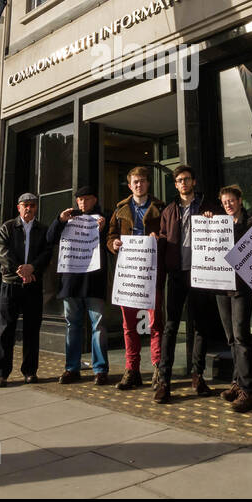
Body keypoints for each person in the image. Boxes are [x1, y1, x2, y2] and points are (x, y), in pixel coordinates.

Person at [156, 165, 214, 403]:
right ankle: (164, 380)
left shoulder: (206, 207)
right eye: (179, 180)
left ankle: (197, 375)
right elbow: (162, 236)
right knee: (170, 326)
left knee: (200, 326)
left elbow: (220, 231)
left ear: (194, 182)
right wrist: (154, 239)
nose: (183, 183)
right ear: (176, 184)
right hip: (177, 274)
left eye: (187, 179)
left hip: (200, 272)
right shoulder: (169, 210)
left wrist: (213, 219)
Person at [106, 167, 164, 390]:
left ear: (148, 184)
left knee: (155, 322)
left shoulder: (160, 207)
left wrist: (158, 238)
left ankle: (158, 368)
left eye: (142, 181)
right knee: (129, 325)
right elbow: (110, 235)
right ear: (129, 185)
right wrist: (114, 244)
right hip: (128, 274)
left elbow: (168, 234)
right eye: (135, 182)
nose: (139, 185)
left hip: (151, 272)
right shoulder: (121, 208)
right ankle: (132, 370)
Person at [46, 187, 109, 385]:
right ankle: (72, 368)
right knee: (73, 325)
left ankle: (100, 369)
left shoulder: (102, 219)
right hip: (71, 281)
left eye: (86, 199)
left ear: (94, 199)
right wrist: (59, 220)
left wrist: (103, 230)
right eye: (79, 200)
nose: (82, 203)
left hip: (93, 280)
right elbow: (50, 238)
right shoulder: (69, 219)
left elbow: (111, 243)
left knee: (98, 325)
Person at [207, 186, 252, 412]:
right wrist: (209, 223)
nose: (228, 205)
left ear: (239, 201)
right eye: (224, 202)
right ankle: (237, 384)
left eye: (231, 201)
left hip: (241, 288)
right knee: (231, 338)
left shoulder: (250, 223)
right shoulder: (219, 223)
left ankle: (249, 390)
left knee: (241, 336)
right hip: (222, 287)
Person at [0, 193, 51, 387]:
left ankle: (30, 371)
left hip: (33, 285)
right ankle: (1, 373)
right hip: (11, 284)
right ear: (19, 207)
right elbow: (2, 252)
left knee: (32, 330)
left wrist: (32, 268)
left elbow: (46, 254)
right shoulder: (7, 227)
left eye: (33, 206)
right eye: (25, 205)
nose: (29, 209)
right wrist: (20, 269)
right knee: (5, 329)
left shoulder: (43, 229)